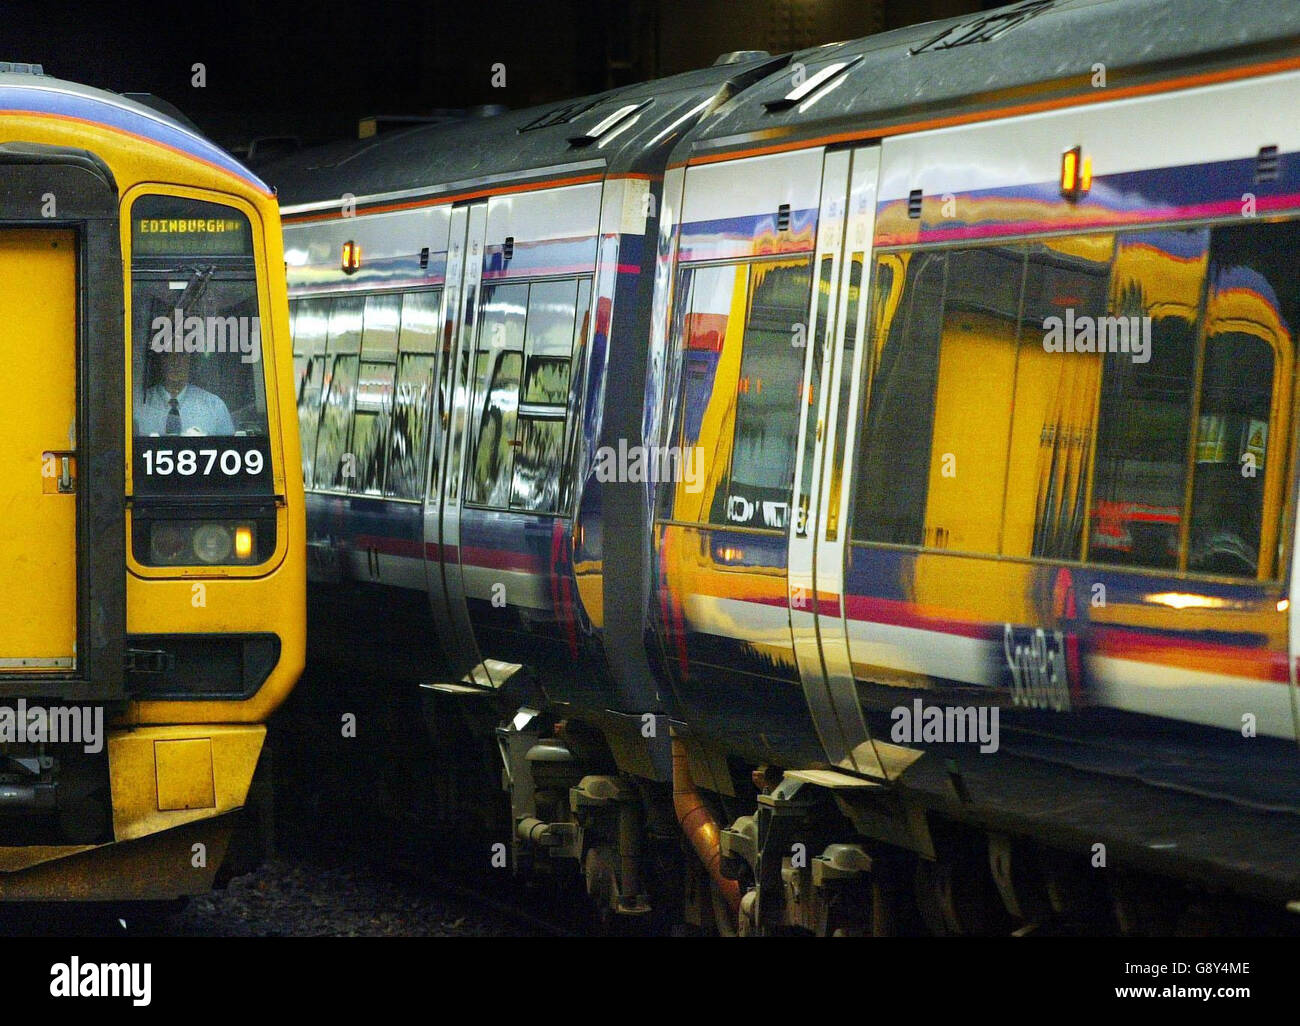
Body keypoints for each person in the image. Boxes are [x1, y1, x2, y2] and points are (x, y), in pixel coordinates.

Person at [135, 349, 235, 436]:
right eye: (168, 354)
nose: (175, 362)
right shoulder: (138, 406)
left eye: (181, 354)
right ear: (159, 360)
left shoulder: (214, 407)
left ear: (190, 359)